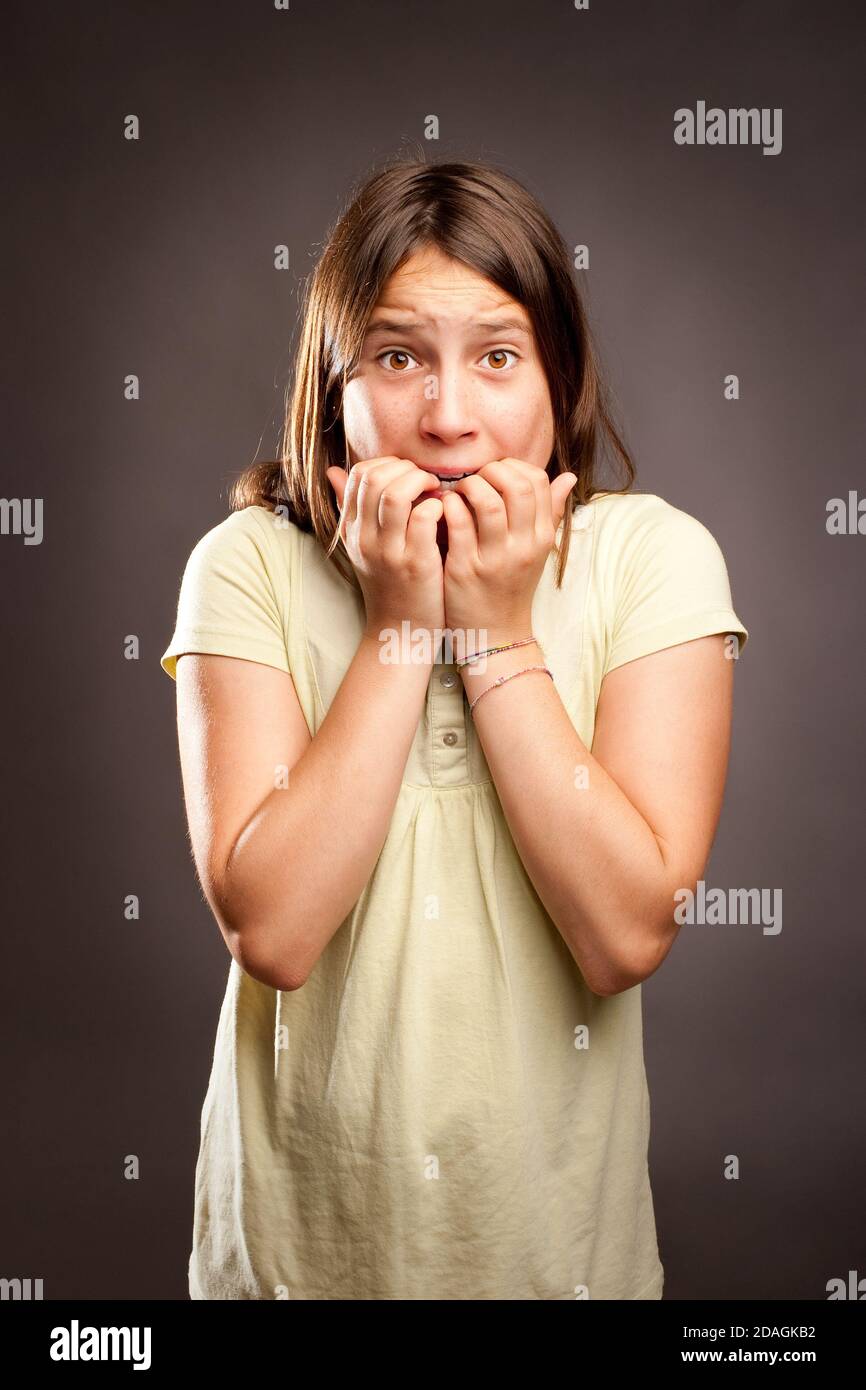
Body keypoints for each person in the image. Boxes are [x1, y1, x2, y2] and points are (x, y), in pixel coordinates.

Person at [160, 157, 749, 1300]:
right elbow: (273, 930)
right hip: (291, 1266)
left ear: (554, 379)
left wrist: (491, 637)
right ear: (333, 389)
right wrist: (395, 629)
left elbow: (625, 935)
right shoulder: (247, 567)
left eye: (494, 357)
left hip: (553, 1266)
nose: (445, 416)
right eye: (395, 358)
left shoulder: (652, 558)